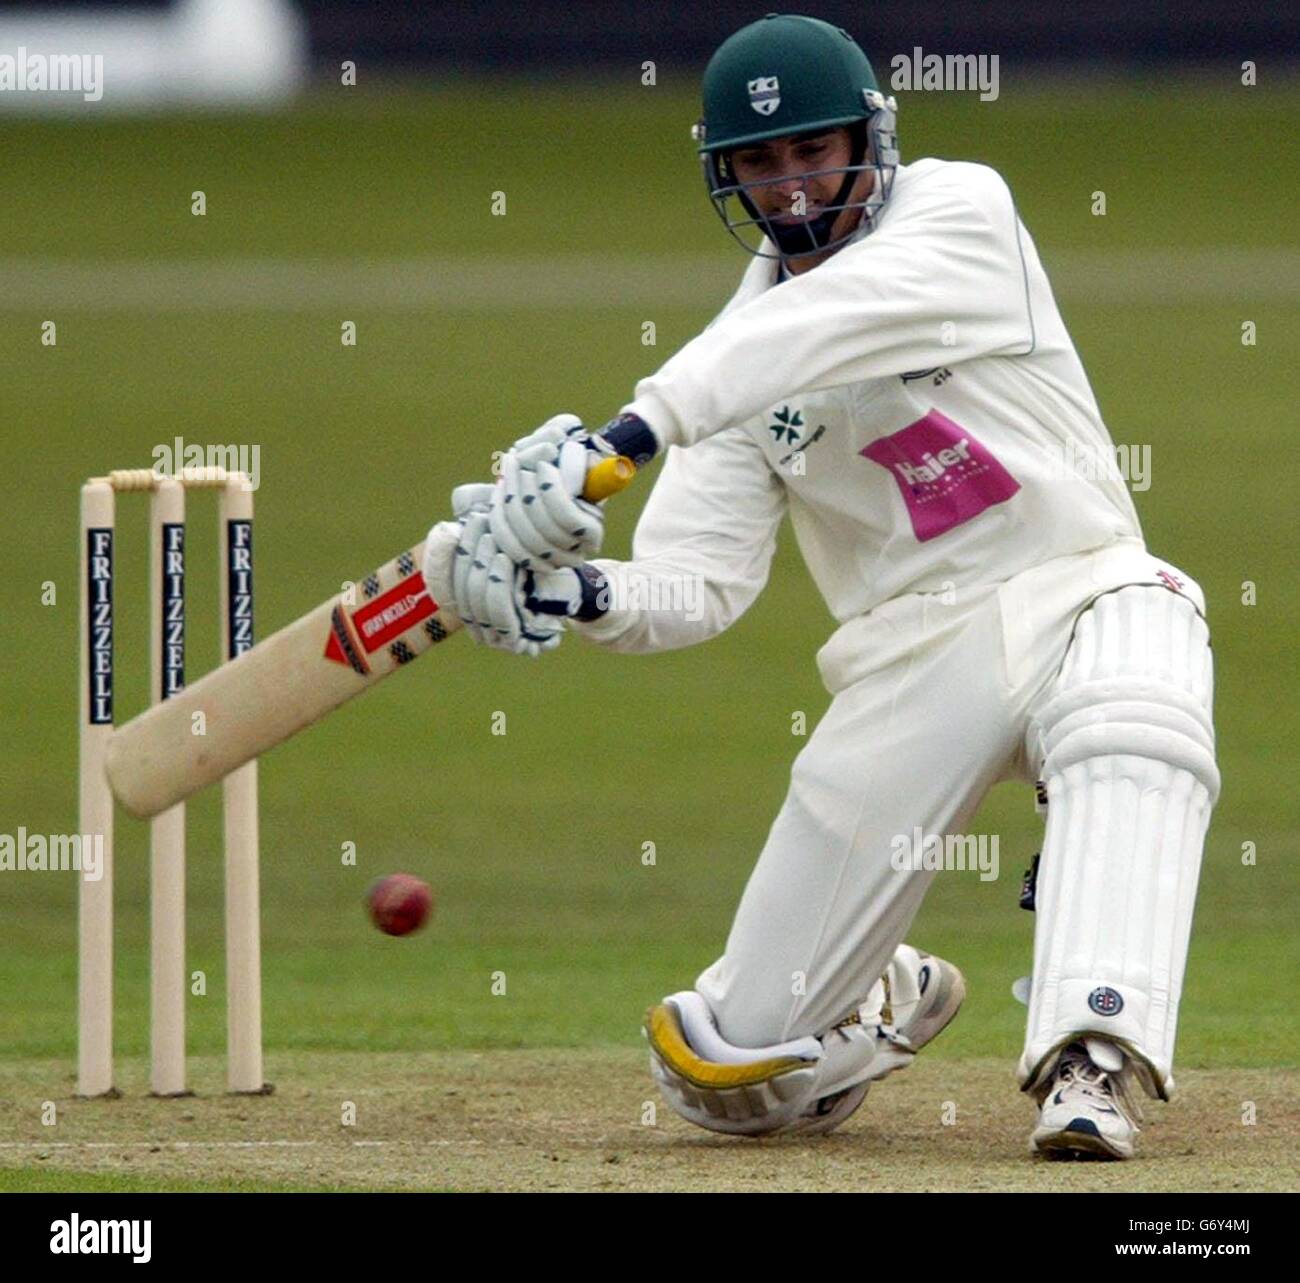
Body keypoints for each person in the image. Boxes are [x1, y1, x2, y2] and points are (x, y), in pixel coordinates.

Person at [423, 13, 1219, 1158]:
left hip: (1079, 583)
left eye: (814, 150)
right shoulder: (736, 358)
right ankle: (879, 1001)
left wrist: (623, 439)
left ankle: (1089, 1064)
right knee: (725, 1072)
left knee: (1137, 708)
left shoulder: (960, 214)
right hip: (909, 658)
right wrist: (574, 593)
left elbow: (819, 322)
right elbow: (695, 582)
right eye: (760, 162)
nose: (792, 184)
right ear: (726, 176)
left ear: (870, 139)